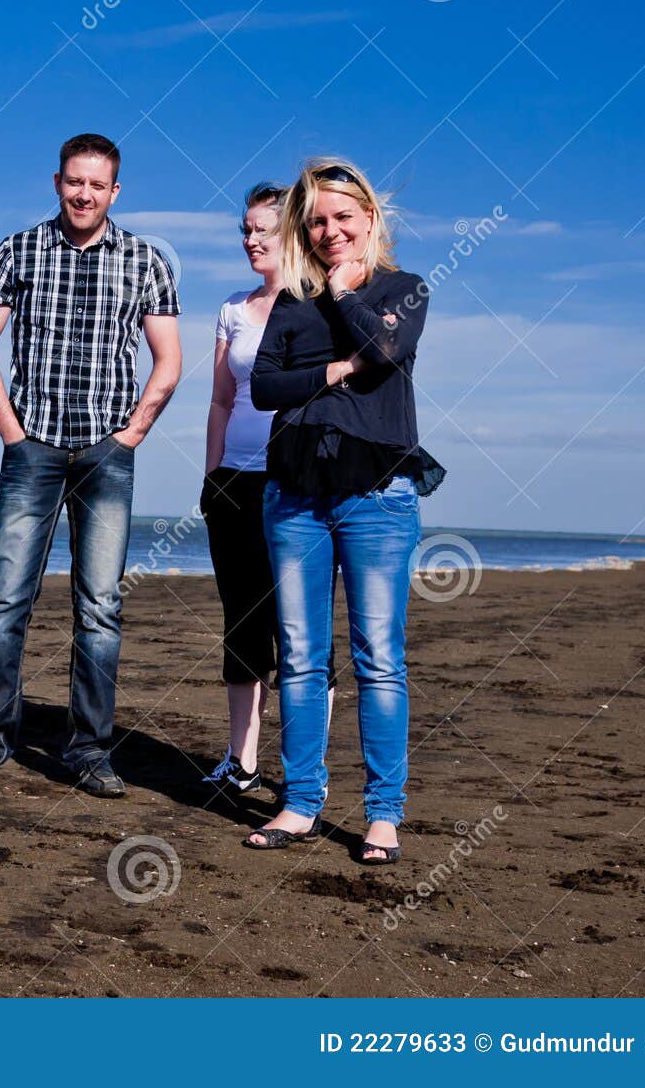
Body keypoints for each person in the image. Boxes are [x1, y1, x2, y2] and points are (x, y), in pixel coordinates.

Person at [0, 133, 183, 799]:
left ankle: (89, 752)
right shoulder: (19, 251)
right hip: (34, 450)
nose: (84, 194)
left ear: (115, 191)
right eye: (74, 182)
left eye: (97, 185)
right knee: (4, 603)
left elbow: (168, 358)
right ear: (57, 183)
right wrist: (11, 432)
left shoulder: (145, 261)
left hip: (107, 456)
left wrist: (132, 432)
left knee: (100, 608)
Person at [243, 157, 444, 863]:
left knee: (379, 661)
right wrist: (332, 370)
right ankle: (300, 804)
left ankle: (383, 816)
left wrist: (342, 292)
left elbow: (386, 348)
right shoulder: (291, 302)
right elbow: (265, 386)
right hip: (293, 496)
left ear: (368, 220)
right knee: (300, 657)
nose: (329, 231)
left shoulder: (403, 290)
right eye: (318, 221)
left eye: (342, 219)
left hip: (377, 497)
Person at [199, 183, 337, 793]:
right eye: (245, 230)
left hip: (299, 484)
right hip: (235, 483)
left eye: (265, 230)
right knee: (242, 620)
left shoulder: (321, 306)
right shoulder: (232, 308)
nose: (252, 240)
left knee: (302, 628)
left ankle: (304, 770)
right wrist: (211, 479)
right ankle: (242, 761)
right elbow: (221, 401)